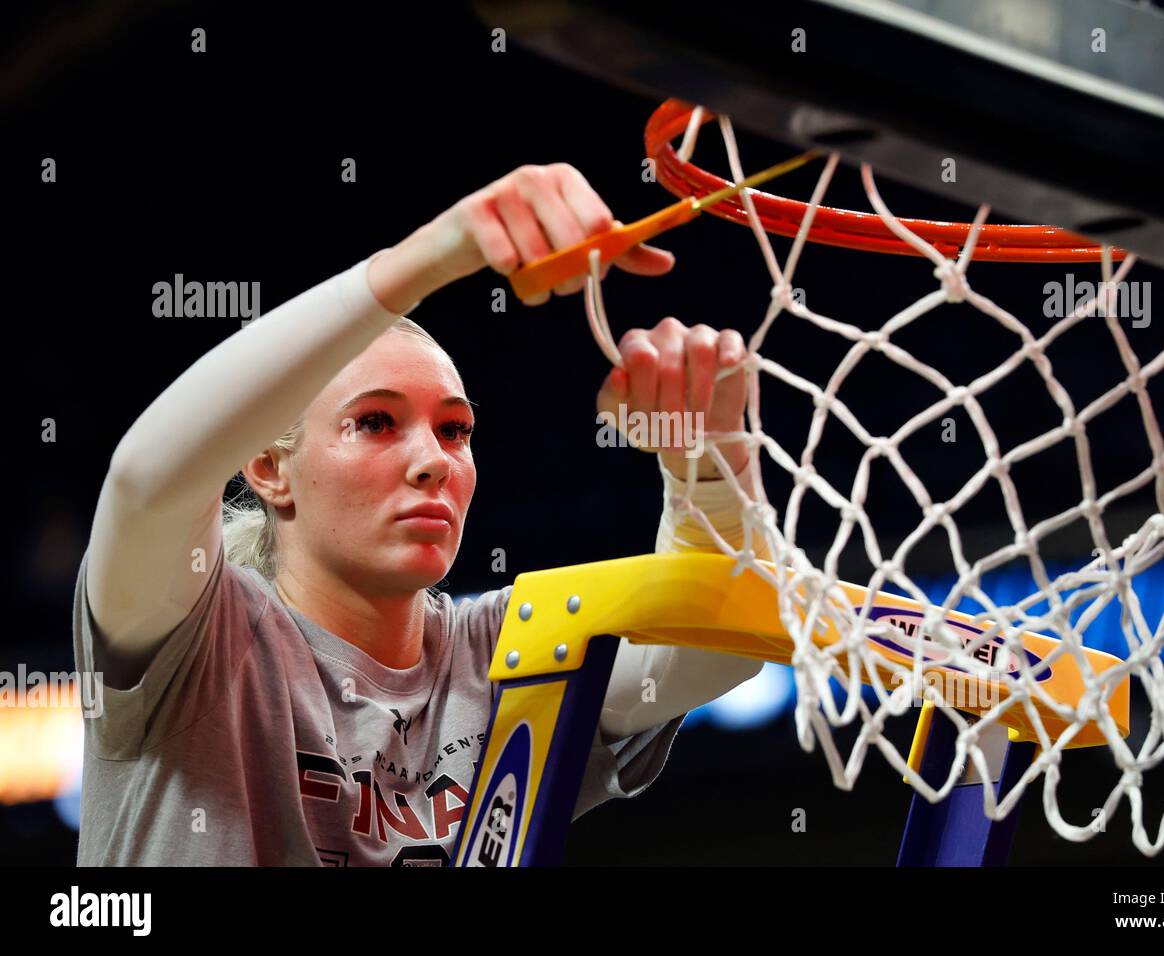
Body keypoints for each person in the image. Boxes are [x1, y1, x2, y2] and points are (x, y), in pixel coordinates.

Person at [72, 163, 766, 866]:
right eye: (375, 421)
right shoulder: (202, 633)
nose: (433, 458)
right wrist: (433, 255)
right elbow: (145, 479)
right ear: (270, 468)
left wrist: (708, 461)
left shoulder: (503, 648)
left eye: (455, 430)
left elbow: (722, 641)